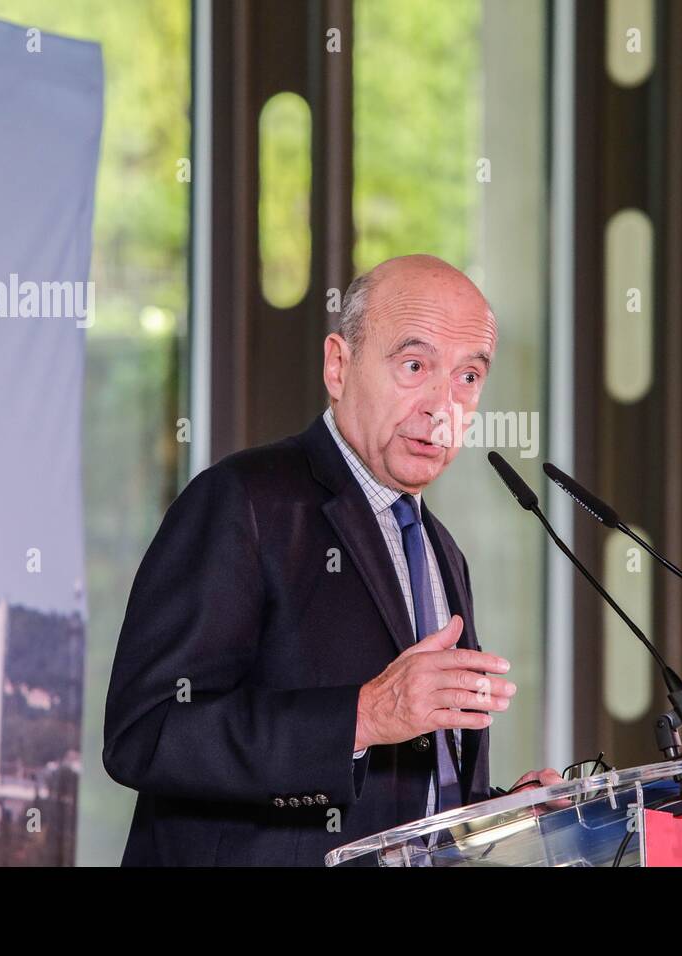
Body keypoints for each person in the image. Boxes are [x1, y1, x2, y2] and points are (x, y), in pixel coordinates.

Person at [103, 254, 561, 865]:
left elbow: (405, 794)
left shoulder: (440, 551)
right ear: (338, 366)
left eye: (468, 378)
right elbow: (147, 733)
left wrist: (499, 810)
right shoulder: (244, 500)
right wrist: (364, 715)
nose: (441, 407)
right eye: (415, 365)